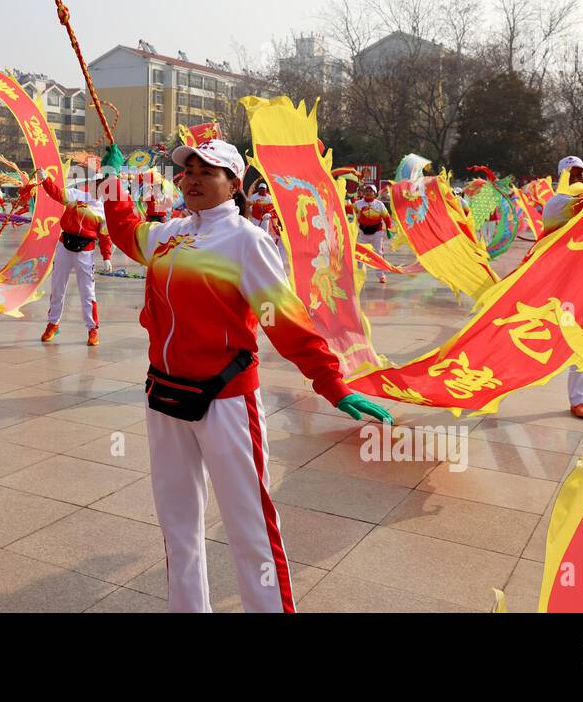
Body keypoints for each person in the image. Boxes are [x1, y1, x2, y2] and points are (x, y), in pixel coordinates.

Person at [99, 138, 391, 613]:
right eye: (187, 170)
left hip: (226, 401)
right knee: (177, 524)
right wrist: (112, 181)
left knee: (249, 524)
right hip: (166, 397)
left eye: (207, 172)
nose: (192, 178)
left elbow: (286, 322)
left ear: (234, 184)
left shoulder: (247, 241)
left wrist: (332, 384)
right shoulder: (168, 234)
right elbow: (125, 229)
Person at [540, 155, 583, 420]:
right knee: (566, 341)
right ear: (561, 177)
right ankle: (502, 380)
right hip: (563, 284)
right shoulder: (556, 205)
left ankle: (582, 399)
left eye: (581, 173)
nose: (578, 178)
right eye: (571, 174)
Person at [34, 168, 113, 346]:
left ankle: (92, 329)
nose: (98, 188)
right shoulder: (75, 194)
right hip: (64, 246)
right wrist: (45, 179)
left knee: (87, 292)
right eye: (97, 184)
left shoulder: (103, 210)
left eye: (103, 186)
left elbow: (105, 235)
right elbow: (56, 193)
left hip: (86, 251)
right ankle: (53, 324)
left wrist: (106, 256)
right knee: (57, 287)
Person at [351, 183, 393, 284]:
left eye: (371, 191)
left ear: (374, 194)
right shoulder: (358, 204)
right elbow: (348, 209)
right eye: (367, 191)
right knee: (360, 254)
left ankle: (381, 276)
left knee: (378, 254)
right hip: (363, 233)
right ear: (364, 193)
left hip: (376, 234)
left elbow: (386, 218)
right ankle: (358, 274)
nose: (368, 193)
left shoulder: (379, 204)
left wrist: (388, 229)